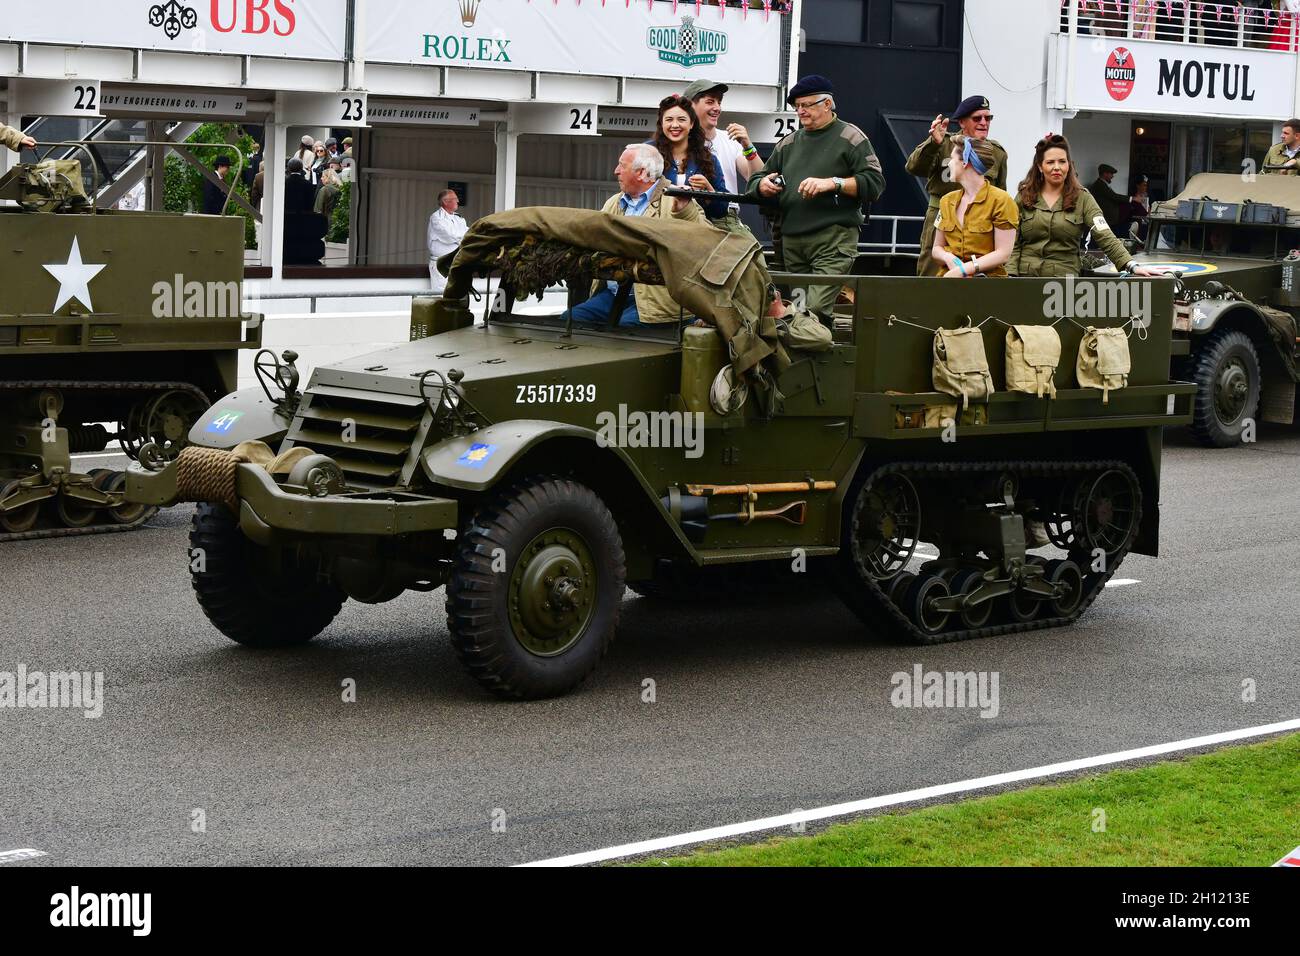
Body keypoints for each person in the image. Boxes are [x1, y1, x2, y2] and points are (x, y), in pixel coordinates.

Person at [747, 74, 885, 320]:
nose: (800, 111)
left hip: (832, 240)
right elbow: (757, 180)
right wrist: (763, 185)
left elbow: (874, 183)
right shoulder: (788, 143)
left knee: (815, 311)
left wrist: (833, 183)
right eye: (797, 106)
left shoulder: (850, 137)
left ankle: (818, 353)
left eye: (806, 105)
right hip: (792, 242)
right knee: (798, 312)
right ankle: (806, 356)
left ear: (827, 104)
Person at [567, 143, 703, 327]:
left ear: (641, 173)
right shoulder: (614, 202)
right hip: (612, 294)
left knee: (624, 332)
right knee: (570, 319)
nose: (616, 171)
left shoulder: (677, 199)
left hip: (655, 300)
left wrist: (685, 211)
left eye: (622, 166)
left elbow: (703, 241)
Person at [1008, 135, 1164, 278]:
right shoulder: (1024, 196)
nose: (1057, 167)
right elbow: (1012, 242)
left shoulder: (1082, 198)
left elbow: (1104, 235)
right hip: (1025, 279)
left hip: (1063, 283)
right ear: (1040, 167)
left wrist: (1131, 265)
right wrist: (1011, 276)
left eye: (1062, 161)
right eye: (1050, 162)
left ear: (1069, 165)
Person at [906, 94, 1009, 276]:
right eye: (977, 118)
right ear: (962, 122)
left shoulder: (996, 153)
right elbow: (914, 167)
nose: (984, 123)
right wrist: (933, 144)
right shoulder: (945, 143)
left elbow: (1000, 192)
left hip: (980, 223)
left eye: (988, 118)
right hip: (942, 217)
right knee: (932, 275)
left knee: (979, 275)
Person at [685, 78, 764, 234]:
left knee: (754, 257)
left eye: (719, 102)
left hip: (727, 219)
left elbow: (757, 178)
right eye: (710, 102)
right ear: (690, 106)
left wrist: (748, 146)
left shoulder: (730, 140)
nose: (717, 108)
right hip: (687, 216)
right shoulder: (679, 142)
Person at [932, 135, 1017, 278]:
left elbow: (1003, 253)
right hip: (948, 284)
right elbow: (936, 248)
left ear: (965, 162)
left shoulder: (1002, 201)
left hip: (987, 287)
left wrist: (965, 269)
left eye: (952, 159)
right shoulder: (946, 201)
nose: (949, 164)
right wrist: (949, 258)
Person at [648, 93, 727, 221]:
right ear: (661, 124)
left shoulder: (708, 159)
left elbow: (721, 210)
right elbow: (635, 192)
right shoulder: (647, 152)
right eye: (669, 120)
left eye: (681, 119)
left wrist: (708, 189)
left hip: (695, 231)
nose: (675, 125)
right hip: (655, 227)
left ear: (691, 124)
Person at [427, 189, 469, 294]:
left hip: (457, 263)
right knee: (441, 297)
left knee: (456, 295)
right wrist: (461, 238)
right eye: (455, 199)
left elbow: (468, 234)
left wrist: (460, 238)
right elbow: (449, 235)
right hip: (441, 264)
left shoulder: (459, 218)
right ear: (446, 202)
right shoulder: (436, 217)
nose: (458, 201)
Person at [1088, 164, 1128, 231]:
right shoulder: (1100, 185)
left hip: (1107, 220)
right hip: (1105, 219)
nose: (1112, 176)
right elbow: (1114, 196)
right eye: (1111, 174)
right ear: (1105, 174)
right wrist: (1131, 199)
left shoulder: (1103, 184)